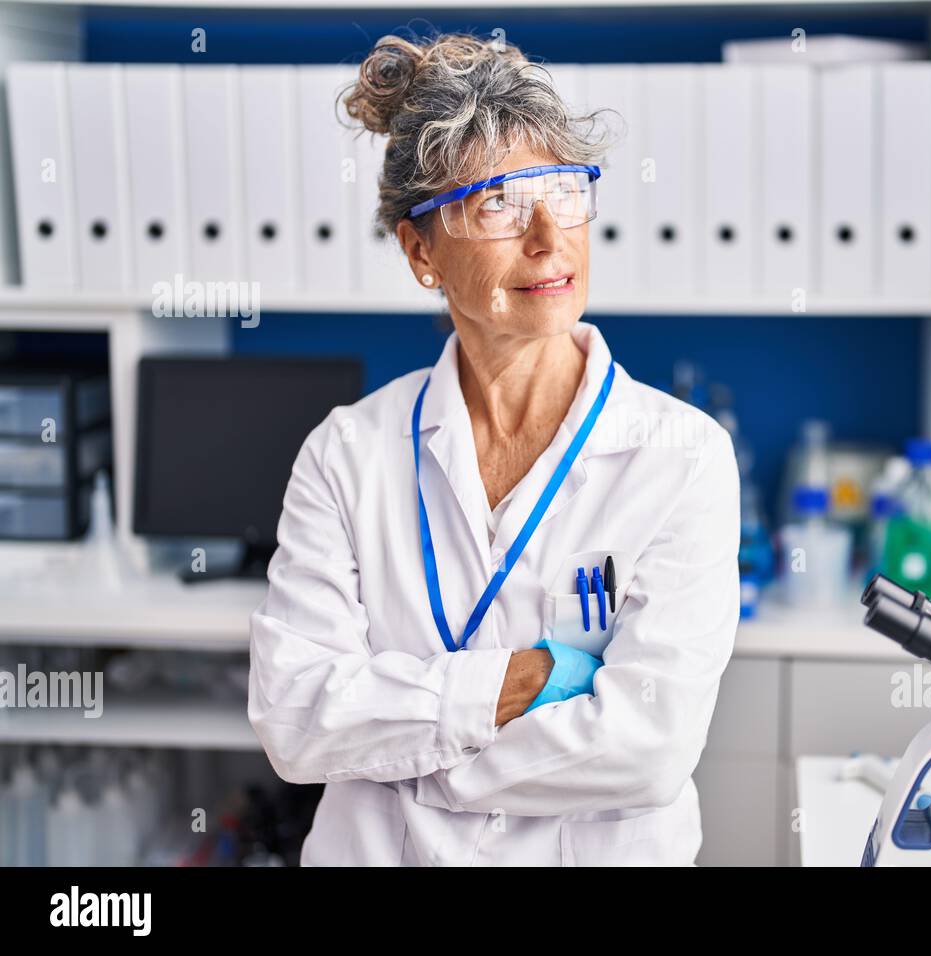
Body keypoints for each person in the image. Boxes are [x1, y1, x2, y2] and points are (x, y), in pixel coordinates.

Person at [247, 30, 741, 866]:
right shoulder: (347, 453)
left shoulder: (680, 454)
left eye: (563, 191)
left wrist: (407, 765)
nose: (549, 238)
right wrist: (513, 685)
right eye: (499, 205)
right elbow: (297, 721)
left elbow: (650, 746)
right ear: (420, 252)